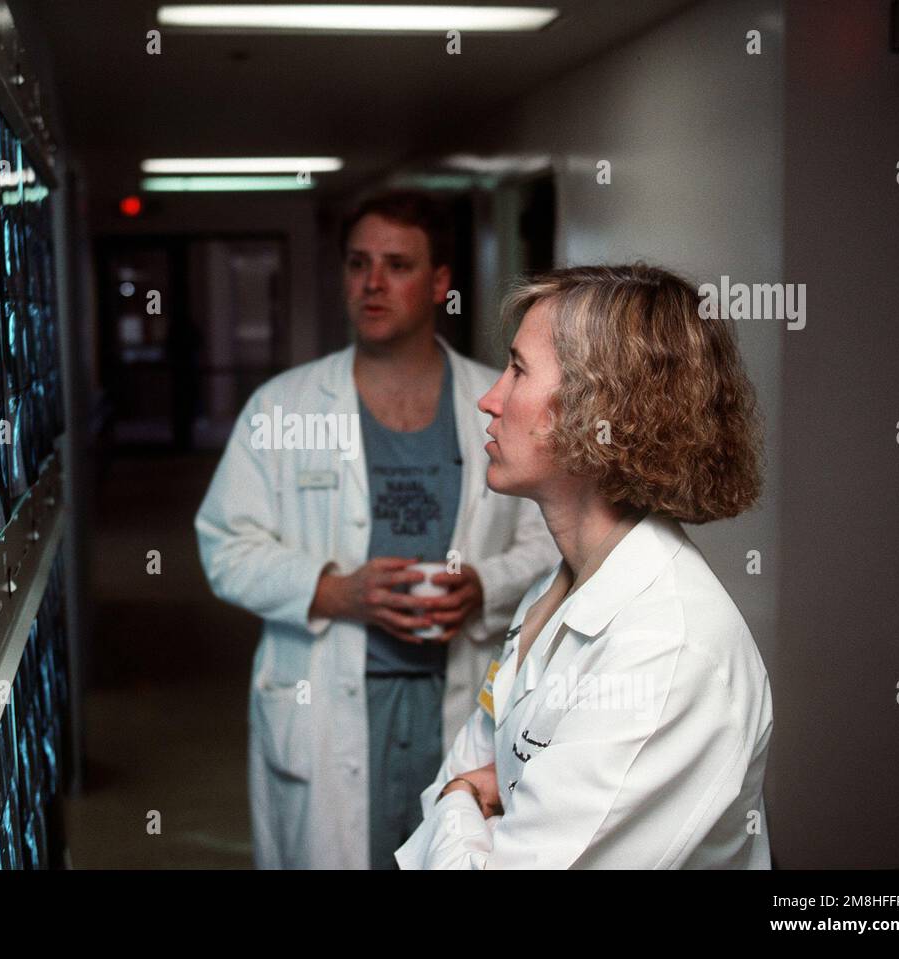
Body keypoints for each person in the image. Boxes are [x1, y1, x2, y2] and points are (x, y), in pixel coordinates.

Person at [194, 190, 558, 869]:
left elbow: (549, 539)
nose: (373, 283)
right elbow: (225, 543)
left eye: (398, 264)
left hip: (457, 690)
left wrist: (484, 584)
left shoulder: (496, 402)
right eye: (359, 263)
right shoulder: (283, 406)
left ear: (441, 282)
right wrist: (333, 591)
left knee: (453, 847)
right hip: (328, 695)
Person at [395, 263, 774, 869]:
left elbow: (462, 785)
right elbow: (470, 757)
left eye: (518, 370)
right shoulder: (559, 589)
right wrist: (466, 792)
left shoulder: (666, 652)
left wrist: (461, 798)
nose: (489, 399)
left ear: (602, 412)